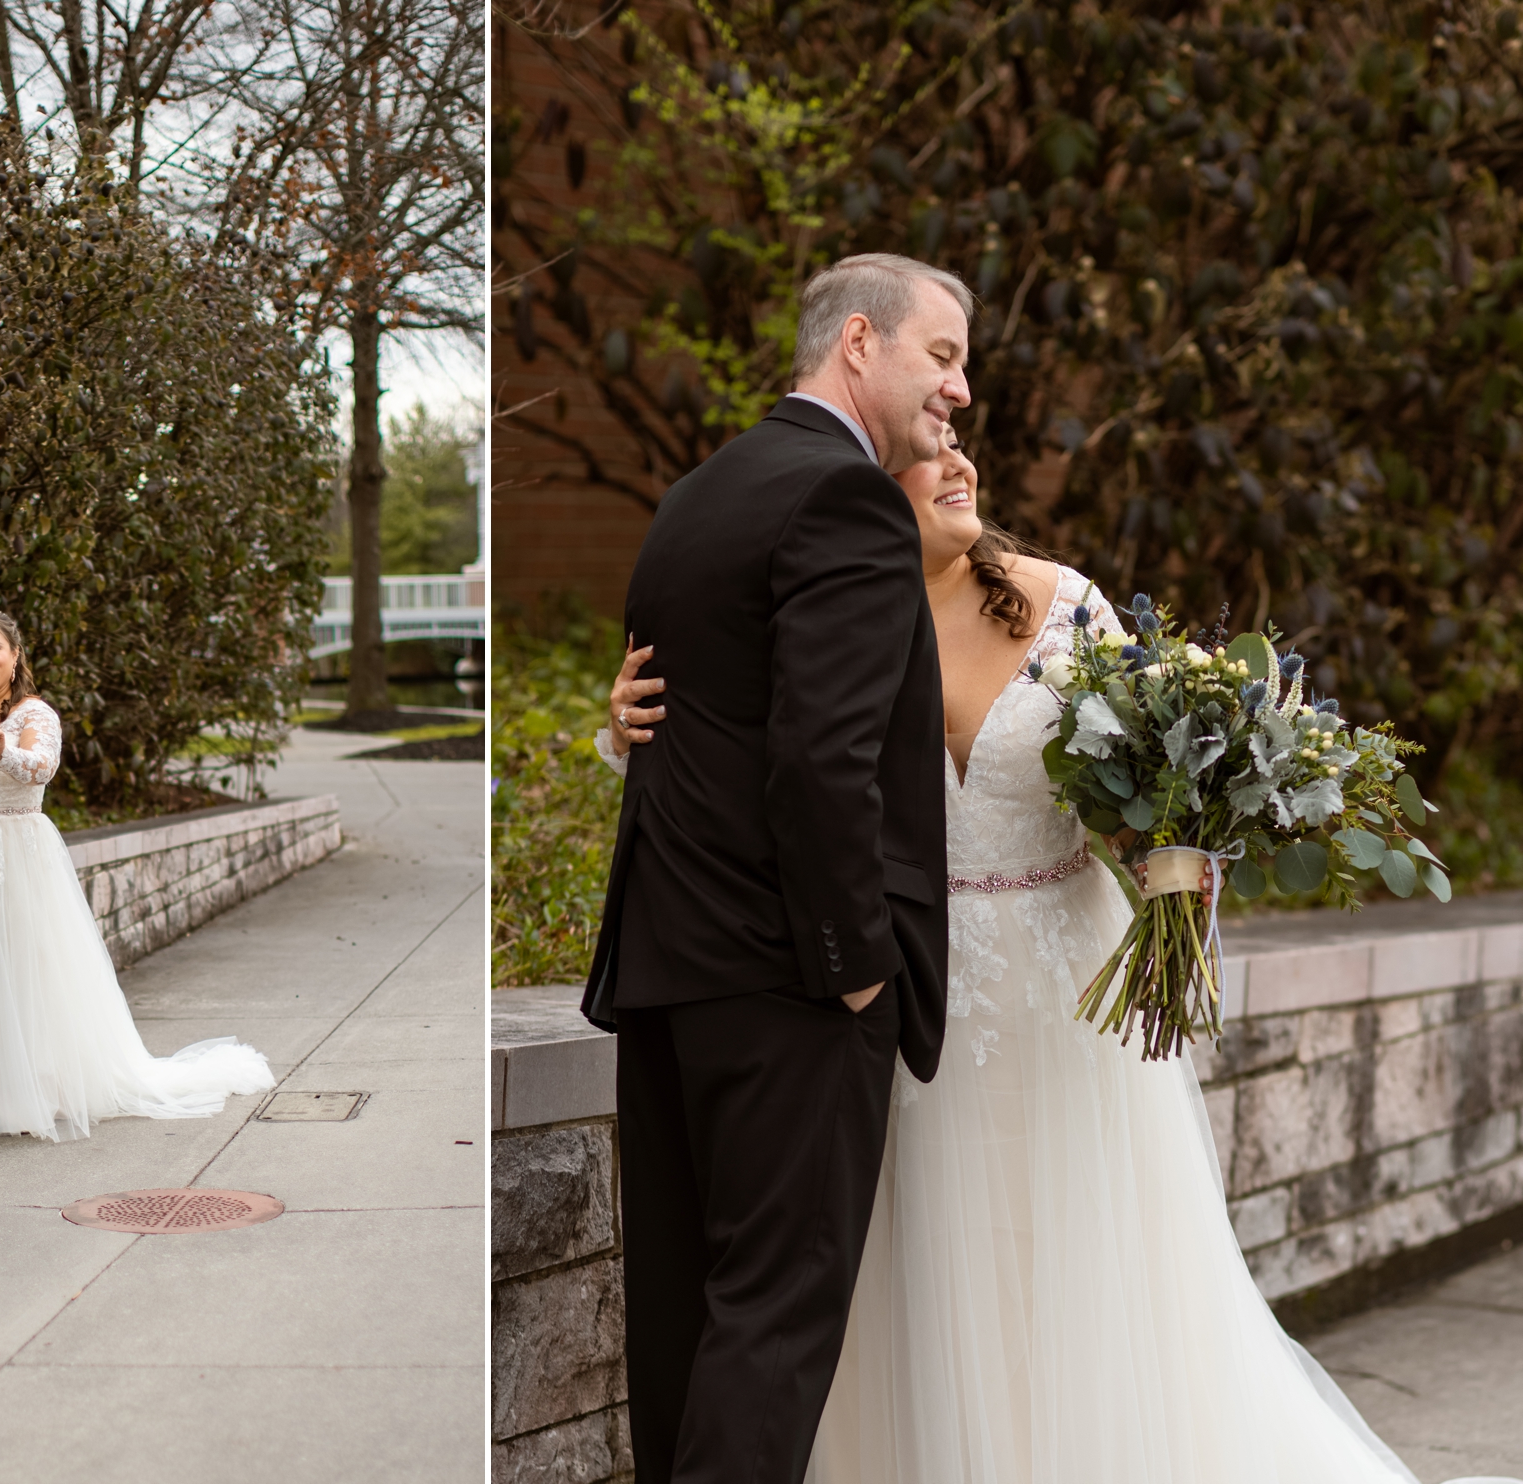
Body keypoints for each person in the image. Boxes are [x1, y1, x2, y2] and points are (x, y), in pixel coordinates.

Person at [601, 423, 1506, 1480]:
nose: (958, 464)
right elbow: (759, 768)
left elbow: (1140, 784)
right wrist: (620, 728)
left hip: (1065, 979)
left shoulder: (1064, 604)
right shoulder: (829, 611)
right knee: (914, 1272)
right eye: (924, 453)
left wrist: (1187, 831)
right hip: (906, 984)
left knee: (1078, 1260)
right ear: (861, 492)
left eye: (962, 447)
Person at [582, 252, 964, 1484]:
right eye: (942, 356)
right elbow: (820, 760)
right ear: (859, 341)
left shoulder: (697, 494)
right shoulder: (846, 500)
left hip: (670, 969)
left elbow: (677, 722)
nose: (956, 391)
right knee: (773, 1320)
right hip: (793, 982)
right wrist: (858, 968)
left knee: (685, 1316)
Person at [0, 611, 274, 1140]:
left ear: (15, 654)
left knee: (26, 972)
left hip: (21, 851)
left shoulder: (35, 713)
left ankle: (38, 1088)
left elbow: (41, 767)